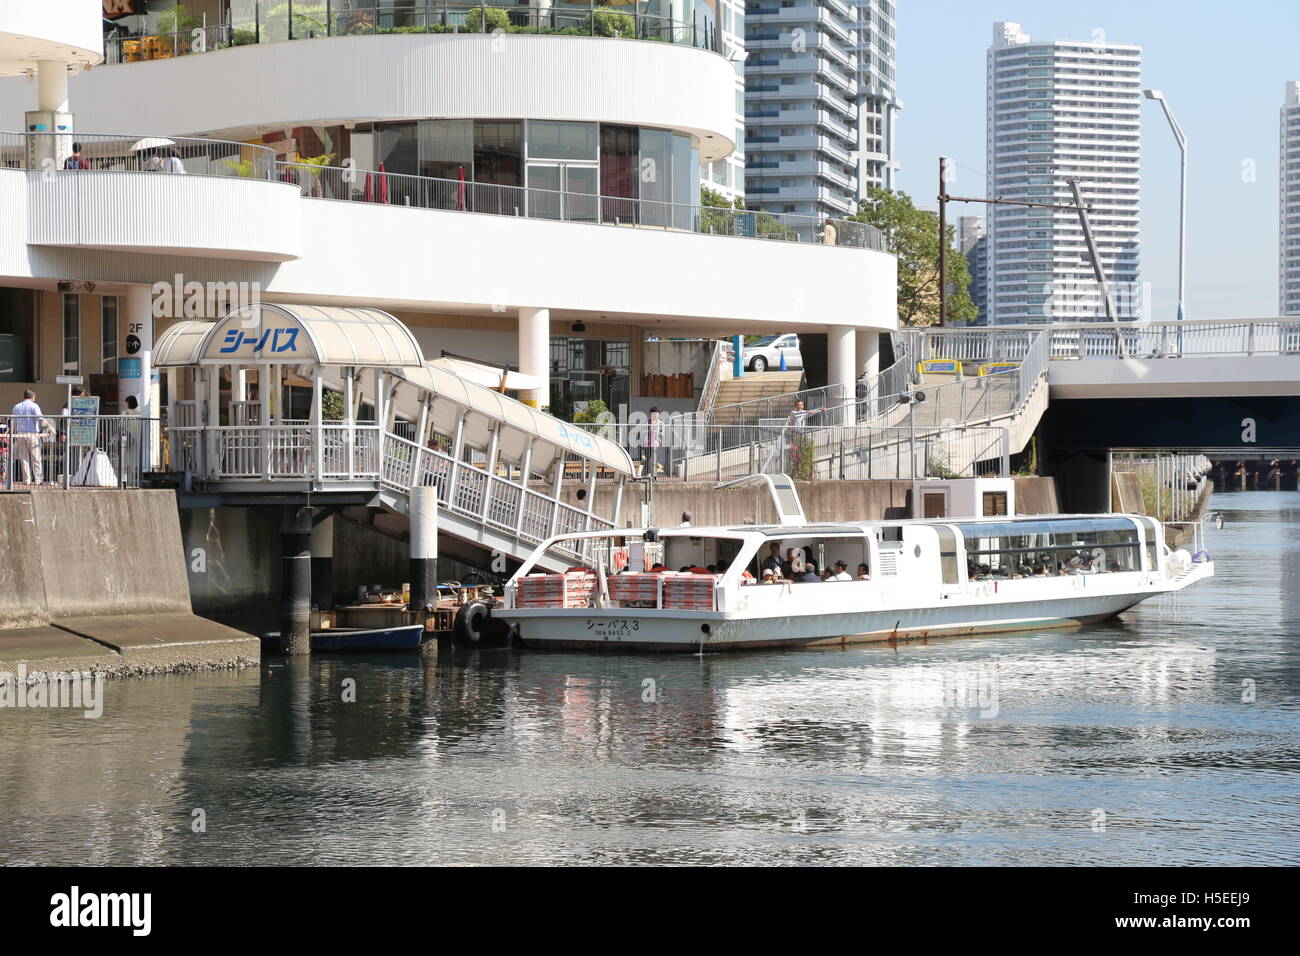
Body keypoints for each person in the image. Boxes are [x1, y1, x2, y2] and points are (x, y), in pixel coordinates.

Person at [10, 389, 49, 484]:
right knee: (36, 457)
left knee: (24, 458)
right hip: (32, 434)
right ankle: (38, 479)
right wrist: (49, 427)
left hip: (20, 434)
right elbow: (40, 419)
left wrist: (13, 433)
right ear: (33, 397)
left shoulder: (16, 407)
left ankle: (26, 480)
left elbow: (13, 422)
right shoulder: (34, 406)